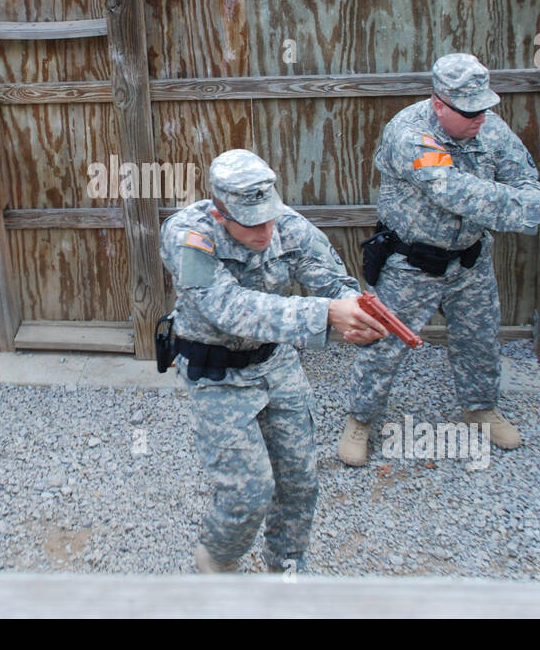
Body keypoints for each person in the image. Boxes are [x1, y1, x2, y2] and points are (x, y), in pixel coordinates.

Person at [337, 53, 540, 467]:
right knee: (382, 344)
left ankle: (480, 407)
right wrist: (531, 206)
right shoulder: (409, 134)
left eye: (484, 106)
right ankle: (360, 419)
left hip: (469, 261)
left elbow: (522, 178)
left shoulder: (489, 127)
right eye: (468, 110)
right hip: (409, 264)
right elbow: (452, 190)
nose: (479, 117)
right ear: (438, 104)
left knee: (480, 340)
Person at [160, 149, 389, 574]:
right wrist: (323, 314)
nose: (266, 230)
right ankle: (217, 562)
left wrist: (352, 309)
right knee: (248, 493)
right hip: (218, 374)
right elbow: (228, 307)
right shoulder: (189, 236)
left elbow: (331, 277)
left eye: (269, 216)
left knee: (300, 482)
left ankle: (286, 570)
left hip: (276, 365)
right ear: (221, 212)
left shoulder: (284, 223)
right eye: (252, 222)